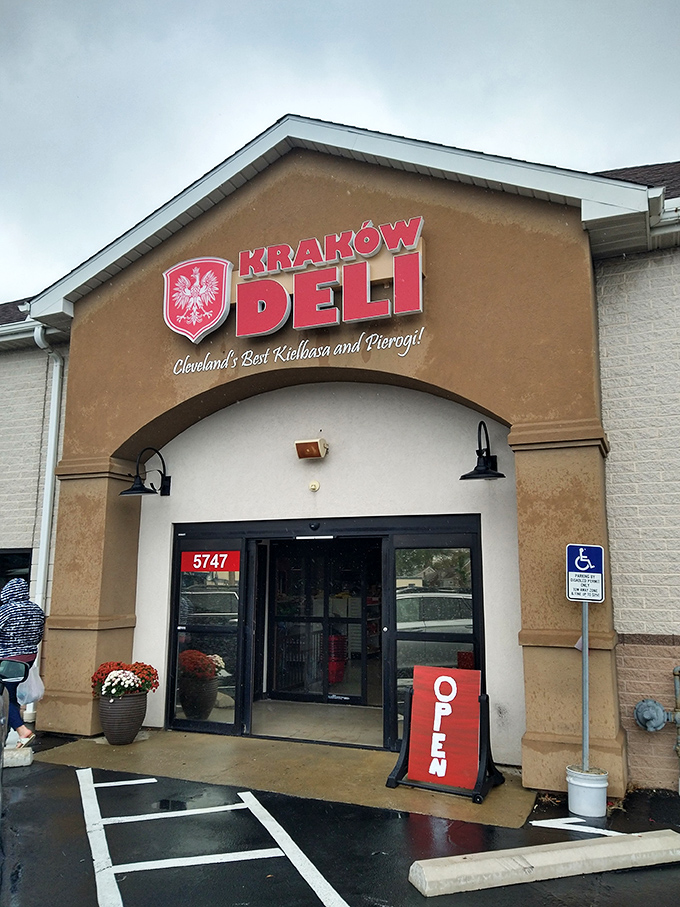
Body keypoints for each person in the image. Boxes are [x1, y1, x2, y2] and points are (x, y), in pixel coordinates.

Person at [0, 578, 45, 747]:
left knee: (3, 694)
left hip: (7, 659)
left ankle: (22, 730)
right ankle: (7, 734)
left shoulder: (6, 610)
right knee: (12, 695)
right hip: (28, 657)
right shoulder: (37, 610)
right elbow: (39, 635)